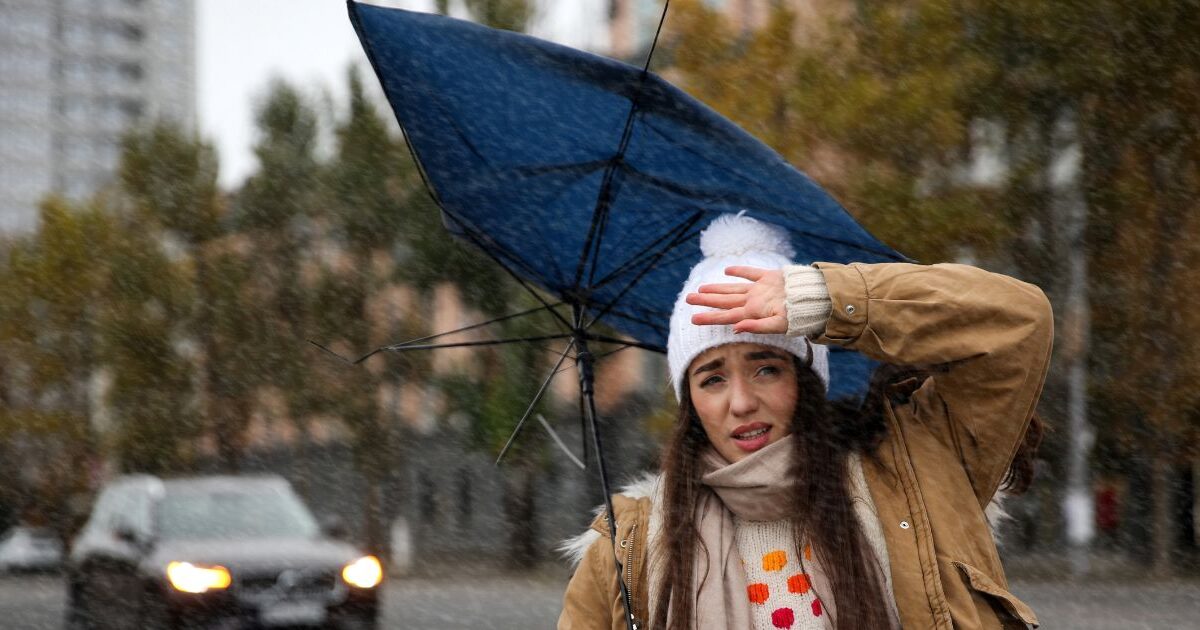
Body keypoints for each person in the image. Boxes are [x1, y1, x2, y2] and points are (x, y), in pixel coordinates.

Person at [558, 213, 1052, 630]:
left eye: (766, 368)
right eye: (712, 378)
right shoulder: (629, 548)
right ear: (690, 404)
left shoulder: (918, 469)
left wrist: (824, 298)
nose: (742, 401)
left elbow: (1018, 321)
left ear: (806, 381)